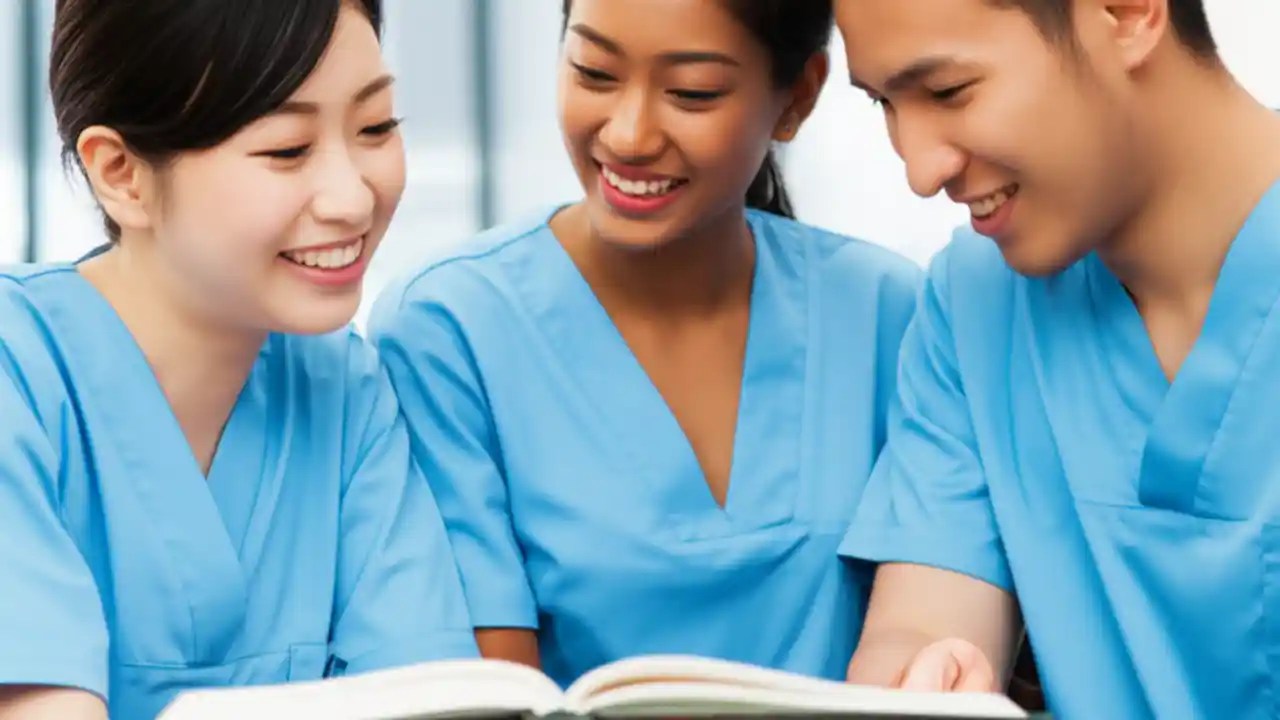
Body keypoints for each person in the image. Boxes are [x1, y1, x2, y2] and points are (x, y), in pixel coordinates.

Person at [368, 0, 920, 688]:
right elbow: (492, 692)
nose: (628, 134)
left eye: (692, 93)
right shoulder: (448, 330)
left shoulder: (891, 315)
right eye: (595, 73)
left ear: (798, 96)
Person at [0, 2, 479, 718]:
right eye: (287, 149)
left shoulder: (346, 390)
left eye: (375, 128)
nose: (352, 200)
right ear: (123, 173)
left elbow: (428, 697)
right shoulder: (19, 376)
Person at [831, 0, 1280, 717]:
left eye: (949, 91)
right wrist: (921, 681)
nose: (920, 169)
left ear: (1128, 13)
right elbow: (921, 628)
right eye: (885, 101)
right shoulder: (975, 301)